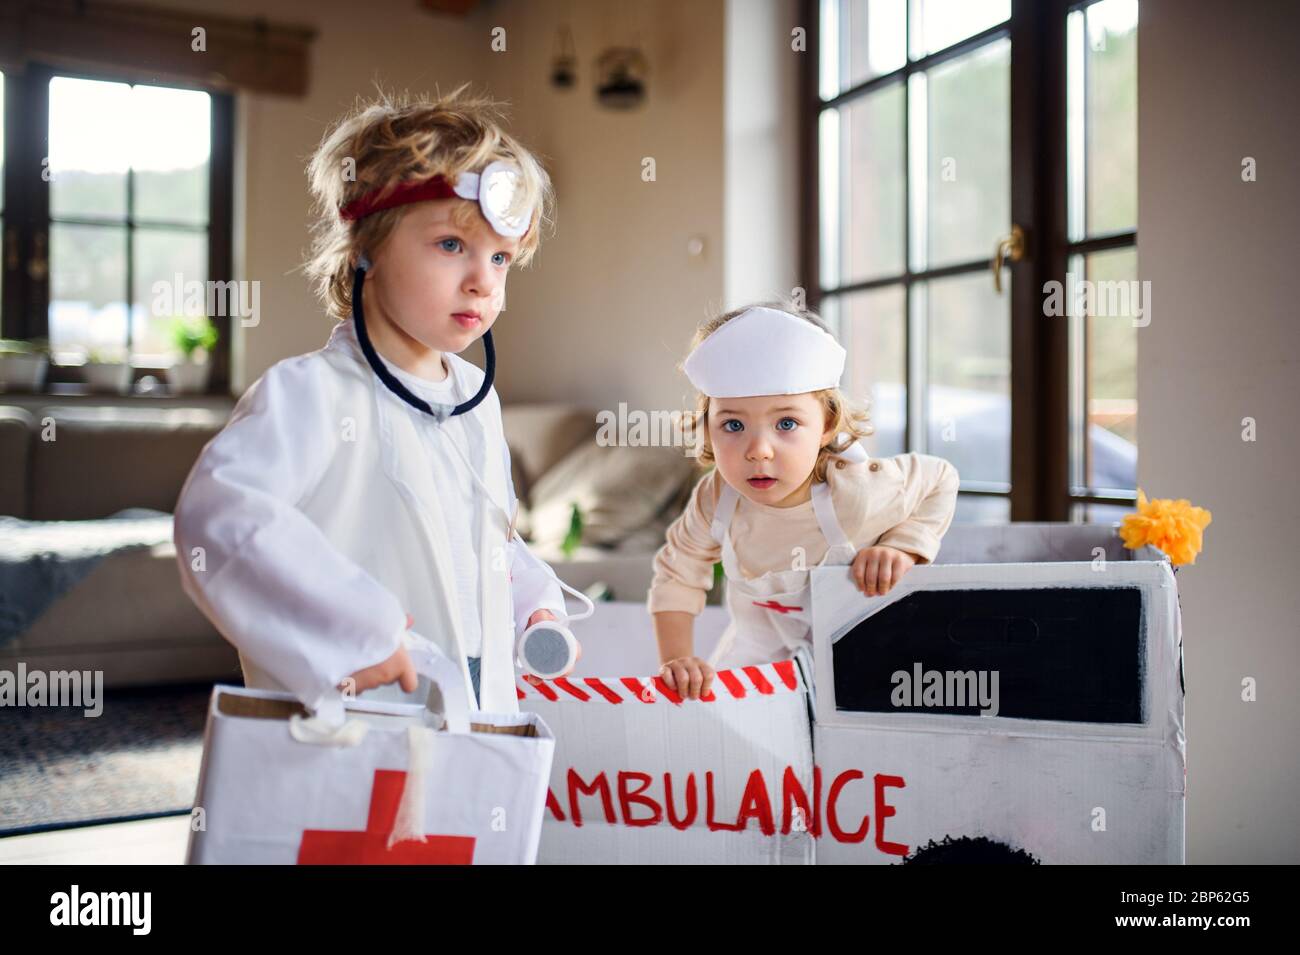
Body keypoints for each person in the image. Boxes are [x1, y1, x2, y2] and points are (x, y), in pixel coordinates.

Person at [174, 86, 576, 716]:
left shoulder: (475, 398)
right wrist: (358, 629)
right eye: (451, 246)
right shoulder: (310, 393)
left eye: (501, 258)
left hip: (475, 707)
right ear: (365, 245)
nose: (483, 280)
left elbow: (484, 541)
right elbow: (221, 521)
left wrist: (534, 602)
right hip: (359, 712)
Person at [648, 302, 960, 699]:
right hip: (758, 653)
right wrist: (677, 660)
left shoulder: (856, 492)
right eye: (733, 425)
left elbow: (940, 479)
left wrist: (904, 545)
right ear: (707, 428)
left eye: (786, 423)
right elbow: (679, 573)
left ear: (827, 424)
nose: (758, 450)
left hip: (857, 647)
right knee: (723, 720)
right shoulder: (716, 498)